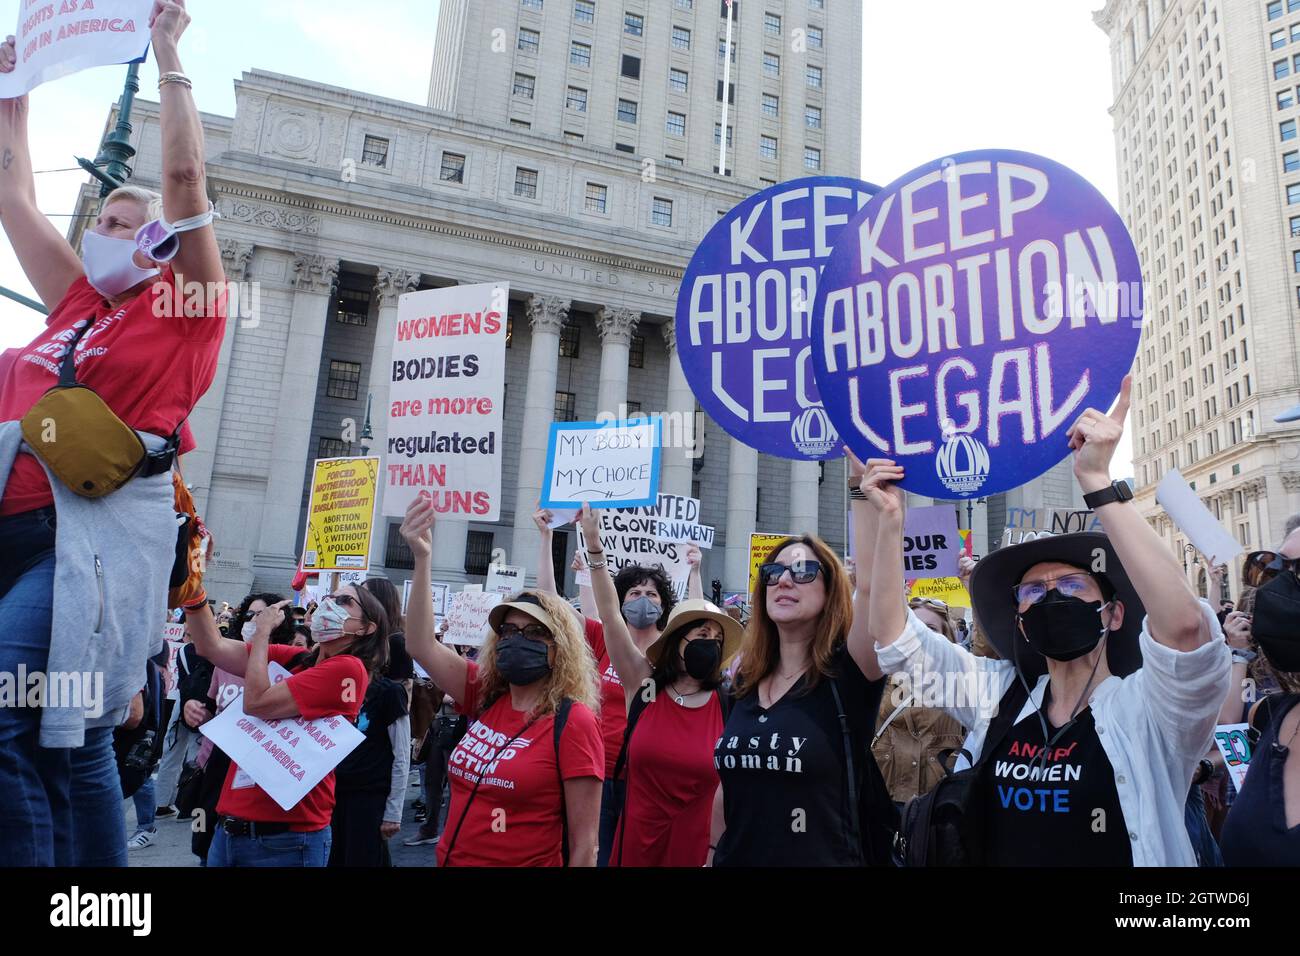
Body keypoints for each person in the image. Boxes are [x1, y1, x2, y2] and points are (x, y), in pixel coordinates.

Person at [0, 1, 223, 867]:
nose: (113, 231)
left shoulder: (188, 311)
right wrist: (12, 94)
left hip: (83, 548)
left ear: (166, 248)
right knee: (80, 740)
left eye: (135, 226)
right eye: (105, 219)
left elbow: (183, 185)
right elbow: (13, 194)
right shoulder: (77, 302)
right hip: (13, 528)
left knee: (13, 714)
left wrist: (166, 55)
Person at [865, 376, 1231, 866]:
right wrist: (891, 524)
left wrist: (1099, 481)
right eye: (1034, 591)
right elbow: (895, 640)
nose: (1052, 596)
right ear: (1019, 621)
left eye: (1073, 585)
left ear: (1114, 613)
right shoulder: (997, 697)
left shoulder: (1151, 711)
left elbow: (1187, 631)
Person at [709, 455, 894, 867]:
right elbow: (730, 785)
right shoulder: (740, 685)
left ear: (831, 593)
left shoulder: (850, 675)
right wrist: (710, 852)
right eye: (773, 572)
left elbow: (869, 578)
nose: (785, 580)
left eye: (805, 571)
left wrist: (859, 488)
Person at [401, 493, 603, 866]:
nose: (517, 640)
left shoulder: (574, 722)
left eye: (535, 633)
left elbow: (585, 845)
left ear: (560, 648)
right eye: (508, 631)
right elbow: (419, 644)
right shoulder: (484, 691)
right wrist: (423, 558)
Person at [533, 506, 703, 865]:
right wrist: (547, 539)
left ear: (664, 603)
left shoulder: (673, 650)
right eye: (635, 593)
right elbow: (552, 607)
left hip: (650, 776)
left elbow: (698, 619)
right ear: (620, 602)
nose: (644, 599)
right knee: (592, 851)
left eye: (653, 594)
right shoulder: (602, 638)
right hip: (596, 771)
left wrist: (695, 571)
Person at [580, 503, 741, 866]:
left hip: (696, 851)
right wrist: (594, 544)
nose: (710, 643)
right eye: (702, 634)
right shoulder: (642, 684)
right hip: (635, 844)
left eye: (717, 639)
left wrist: (717, 851)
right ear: (676, 642)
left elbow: (734, 791)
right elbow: (608, 614)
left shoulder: (729, 703)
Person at [182, 584, 387, 867]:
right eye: (329, 597)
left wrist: (263, 633)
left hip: (285, 840)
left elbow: (256, 703)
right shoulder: (297, 659)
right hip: (230, 827)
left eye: (344, 600)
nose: (329, 603)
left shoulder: (348, 668)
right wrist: (192, 590)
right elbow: (210, 647)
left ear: (366, 628)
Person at [1219, 528, 1300, 865]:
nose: (1280, 589)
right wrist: (1238, 654)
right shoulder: (1275, 715)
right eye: (1279, 571)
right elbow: (1226, 722)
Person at [871, 597, 966, 807]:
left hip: (937, 804)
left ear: (946, 637)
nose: (922, 635)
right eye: (914, 627)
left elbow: (986, 649)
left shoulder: (961, 682)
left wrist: (974, 590)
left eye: (931, 628)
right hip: (884, 800)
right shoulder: (880, 676)